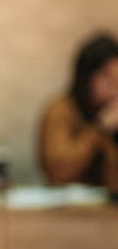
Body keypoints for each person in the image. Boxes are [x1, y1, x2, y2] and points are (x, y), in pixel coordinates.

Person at [39, 33, 118, 192]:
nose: (114, 87)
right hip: (71, 211)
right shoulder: (60, 111)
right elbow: (58, 172)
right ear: (85, 77)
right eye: (106, 77)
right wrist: (99, 129)